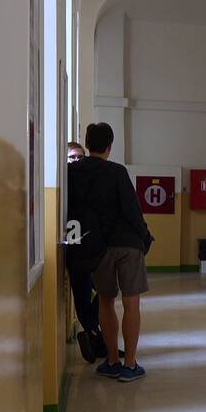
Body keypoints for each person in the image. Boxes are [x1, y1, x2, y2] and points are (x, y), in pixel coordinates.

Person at [76, 123, 153, 382]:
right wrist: (145, 236)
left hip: (97, 246)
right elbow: (132, 209)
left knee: (106, 302)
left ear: (86, 144)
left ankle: (111, 361)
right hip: (128, 244)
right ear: (110, 146)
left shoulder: (72, 171)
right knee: (131, 302)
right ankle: (129, 365)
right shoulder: (117, 172)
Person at [66, 141, 107, 363]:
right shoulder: (64, 182)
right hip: (75, 247)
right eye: (71, 157)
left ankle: (92, 332)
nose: (75, 162)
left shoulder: (92, 182)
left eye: (79, 157)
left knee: (106, 289)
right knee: (82, 296)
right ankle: (94, 336)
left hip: (95, 245)